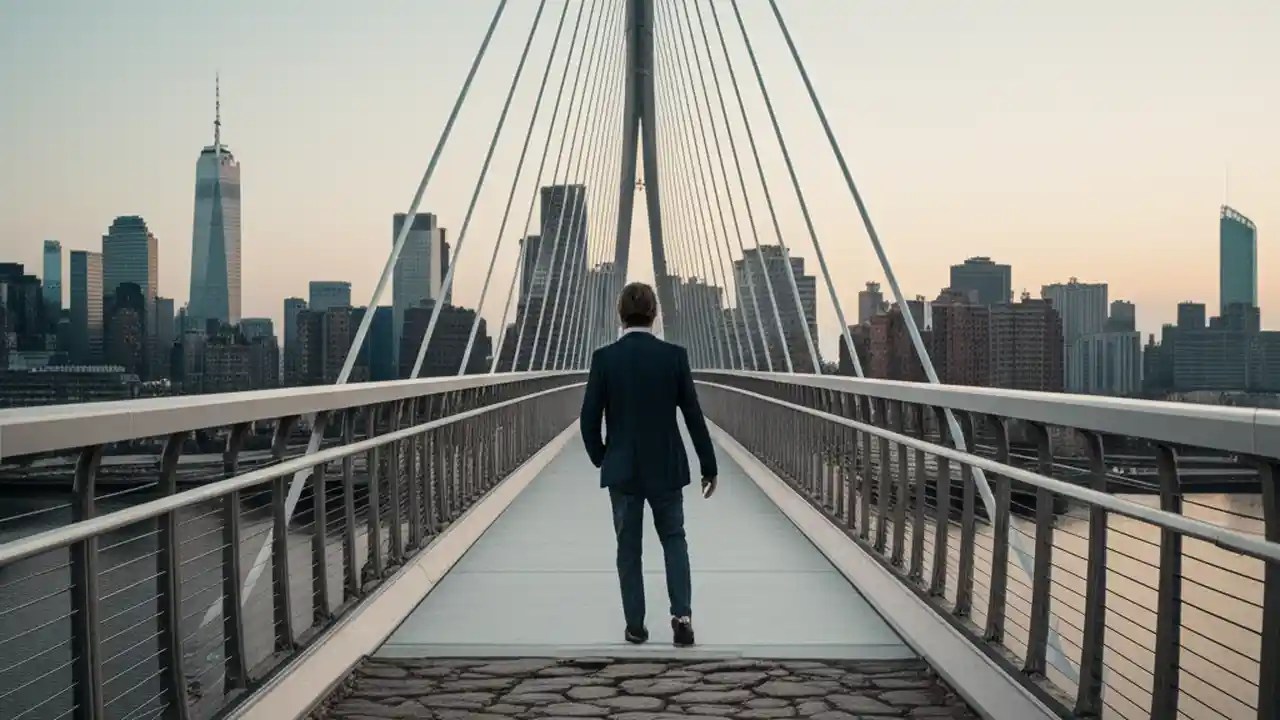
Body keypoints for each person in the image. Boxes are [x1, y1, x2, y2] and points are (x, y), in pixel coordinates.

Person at [579, 281, 718, 648]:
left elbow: (588, 420)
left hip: (622, 469)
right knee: (674, 539)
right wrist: (709, 464)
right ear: (655, 315)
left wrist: (603, 458)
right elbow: (693, 415)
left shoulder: (604, 359)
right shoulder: (674, 357)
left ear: (620, 315)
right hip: (667, 467)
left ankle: (636, 627)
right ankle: (682, 617)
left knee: (629, 548)